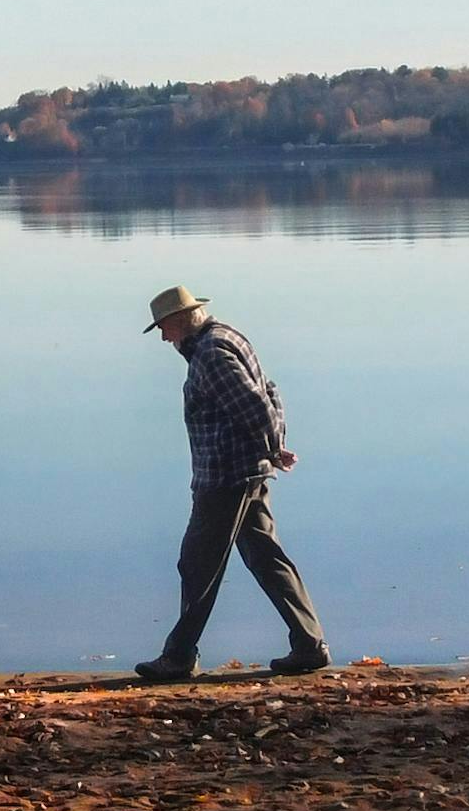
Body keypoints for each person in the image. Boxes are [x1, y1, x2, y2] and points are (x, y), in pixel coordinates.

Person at [133, 284, 330, 680]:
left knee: (197, 564)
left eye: (163, 328)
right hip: (243, 471)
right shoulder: (228, 337)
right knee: (265, 558)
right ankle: (310, 645)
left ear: (180, 320)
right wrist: (274, 447)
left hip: (226, 477)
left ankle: (178, 657)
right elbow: (270, 393)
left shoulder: (211, 354)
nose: (163, 337)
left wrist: (273, 447)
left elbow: (255, 405)